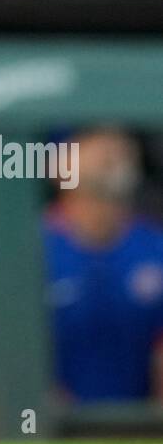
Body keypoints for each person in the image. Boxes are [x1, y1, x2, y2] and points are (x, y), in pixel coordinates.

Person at [44, 128, 163, 402]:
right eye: (92, 137)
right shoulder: (29, 249)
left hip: (141, 433)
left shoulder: (155, 247)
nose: (114, 146)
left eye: (120, 136)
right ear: (58, 165)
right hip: (47, 432)